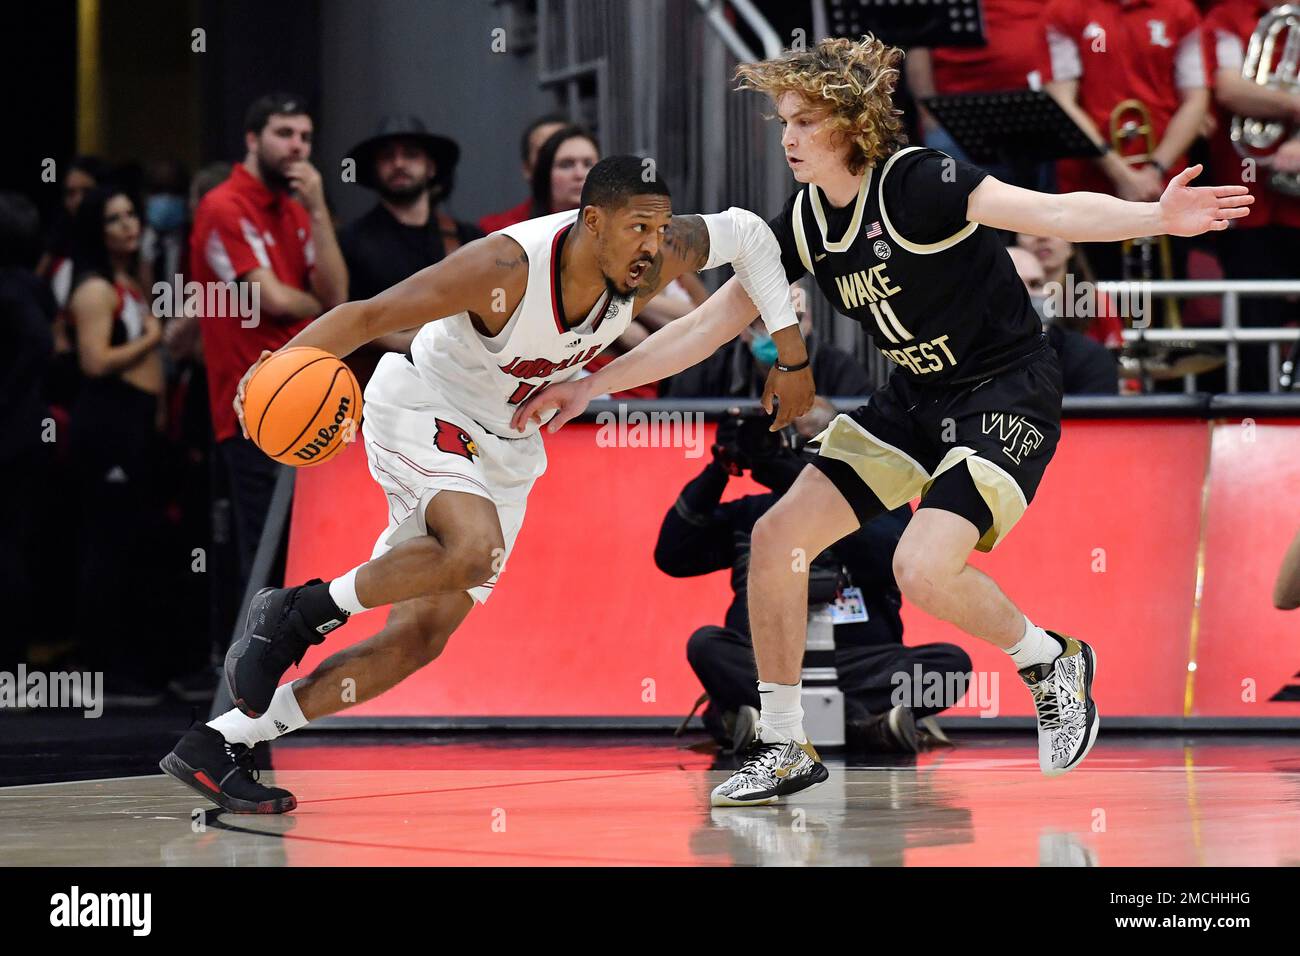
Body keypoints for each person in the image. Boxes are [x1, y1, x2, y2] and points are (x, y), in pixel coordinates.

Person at [515, 35, 1251, 806]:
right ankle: (783, 742)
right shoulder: (801, 221)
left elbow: (1048, 208)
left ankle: (1049, 659)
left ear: (850, 124)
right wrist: (594, 384)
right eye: (783, 123)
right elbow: (708, 324)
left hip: (1004, 390)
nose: (789, 138)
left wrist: (1158, 216)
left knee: (922, 568)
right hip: (914, 397)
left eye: (803, 121)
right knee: (776, 537)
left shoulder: (920, 182)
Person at [160, 155, 815, 813]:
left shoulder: (653, 253)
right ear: (591, 222)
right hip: (426, 405)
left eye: (660, 230)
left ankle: (220, 743)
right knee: (474, 548)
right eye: (637, 229)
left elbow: (754, 236)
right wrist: (282, 363)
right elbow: (367, 314)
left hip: (507, 442)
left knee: (419, 641)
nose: (653, 246)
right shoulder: (504, 267)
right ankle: (299, 611)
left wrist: (791, 356)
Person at [658, 400, 971, 753]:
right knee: (706, 645)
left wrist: (791, 476)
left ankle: (766, 723)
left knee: (950, 666)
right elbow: (673, 555)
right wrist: (719, 467)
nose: (803, 459)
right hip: (769, 665)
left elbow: (891, 558)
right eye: (789, 443)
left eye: (813, 446)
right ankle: (863, 724)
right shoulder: (754, 513)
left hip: (859, 664)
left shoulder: (882, 504)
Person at [189, 92, 348, 594]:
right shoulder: (223, 206)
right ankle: (249, 670)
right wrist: (318, 307)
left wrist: (320, 208)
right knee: (265, 558)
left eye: (305, 137)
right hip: (251, 404)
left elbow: (337, 293)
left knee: (306, 552)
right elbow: (274, 298)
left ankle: (299, 668)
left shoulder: (297, 211)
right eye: (284, 134)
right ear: (252, 140)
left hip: (306, 396)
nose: (297, 147)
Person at [66, 186, 169, 702]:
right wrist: (156, 336)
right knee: (106, 545)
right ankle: (101, 669)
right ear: (96, 229)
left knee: (132, 542)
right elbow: (94, 361)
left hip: (135, 422)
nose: (130, 225)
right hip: (106, 423)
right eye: (115, 219)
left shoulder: (128, 279)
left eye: (133, 214)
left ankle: (130, 661)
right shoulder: (93, 289)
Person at [1044, 0, 1208, 281]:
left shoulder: (1181, 10)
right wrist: (1119, 172)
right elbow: (1061, 100)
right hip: (1087, 182)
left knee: (1168, 286)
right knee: (1094, 294)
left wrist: (1155, 169)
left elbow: (1196, 99)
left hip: (1166, 183)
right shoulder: (1064, 10)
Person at [1202, 0, 1300, 392]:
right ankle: (1256, 412)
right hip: (1247, 200)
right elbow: (1229, 89)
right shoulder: (1228, 15)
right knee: (1252, 318)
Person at [0, 192, 55, 669]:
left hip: (11, 432)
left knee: (8, 547)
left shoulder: (12, 290)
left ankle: (10, 662)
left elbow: (39, 344)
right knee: (15, 543)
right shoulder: (35, 286)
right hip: (28, 428)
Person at [664, 296, 871, 398]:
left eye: (791, 318)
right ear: (744, 329)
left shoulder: (840, 370)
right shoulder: (711, 371)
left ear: (807, 324)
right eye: (766, 320)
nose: (780, 330)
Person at [1007, 245, 1119, 394]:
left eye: (1035, 284)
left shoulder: (1089, 358)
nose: (1027, 294)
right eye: (1012, 284)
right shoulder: (967, 357)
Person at [478, 112, 569, 233]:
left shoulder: (602, 227)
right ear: (527, 168)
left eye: (586, 162)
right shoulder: (500, 231)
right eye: (546, 151)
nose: (577, 172)